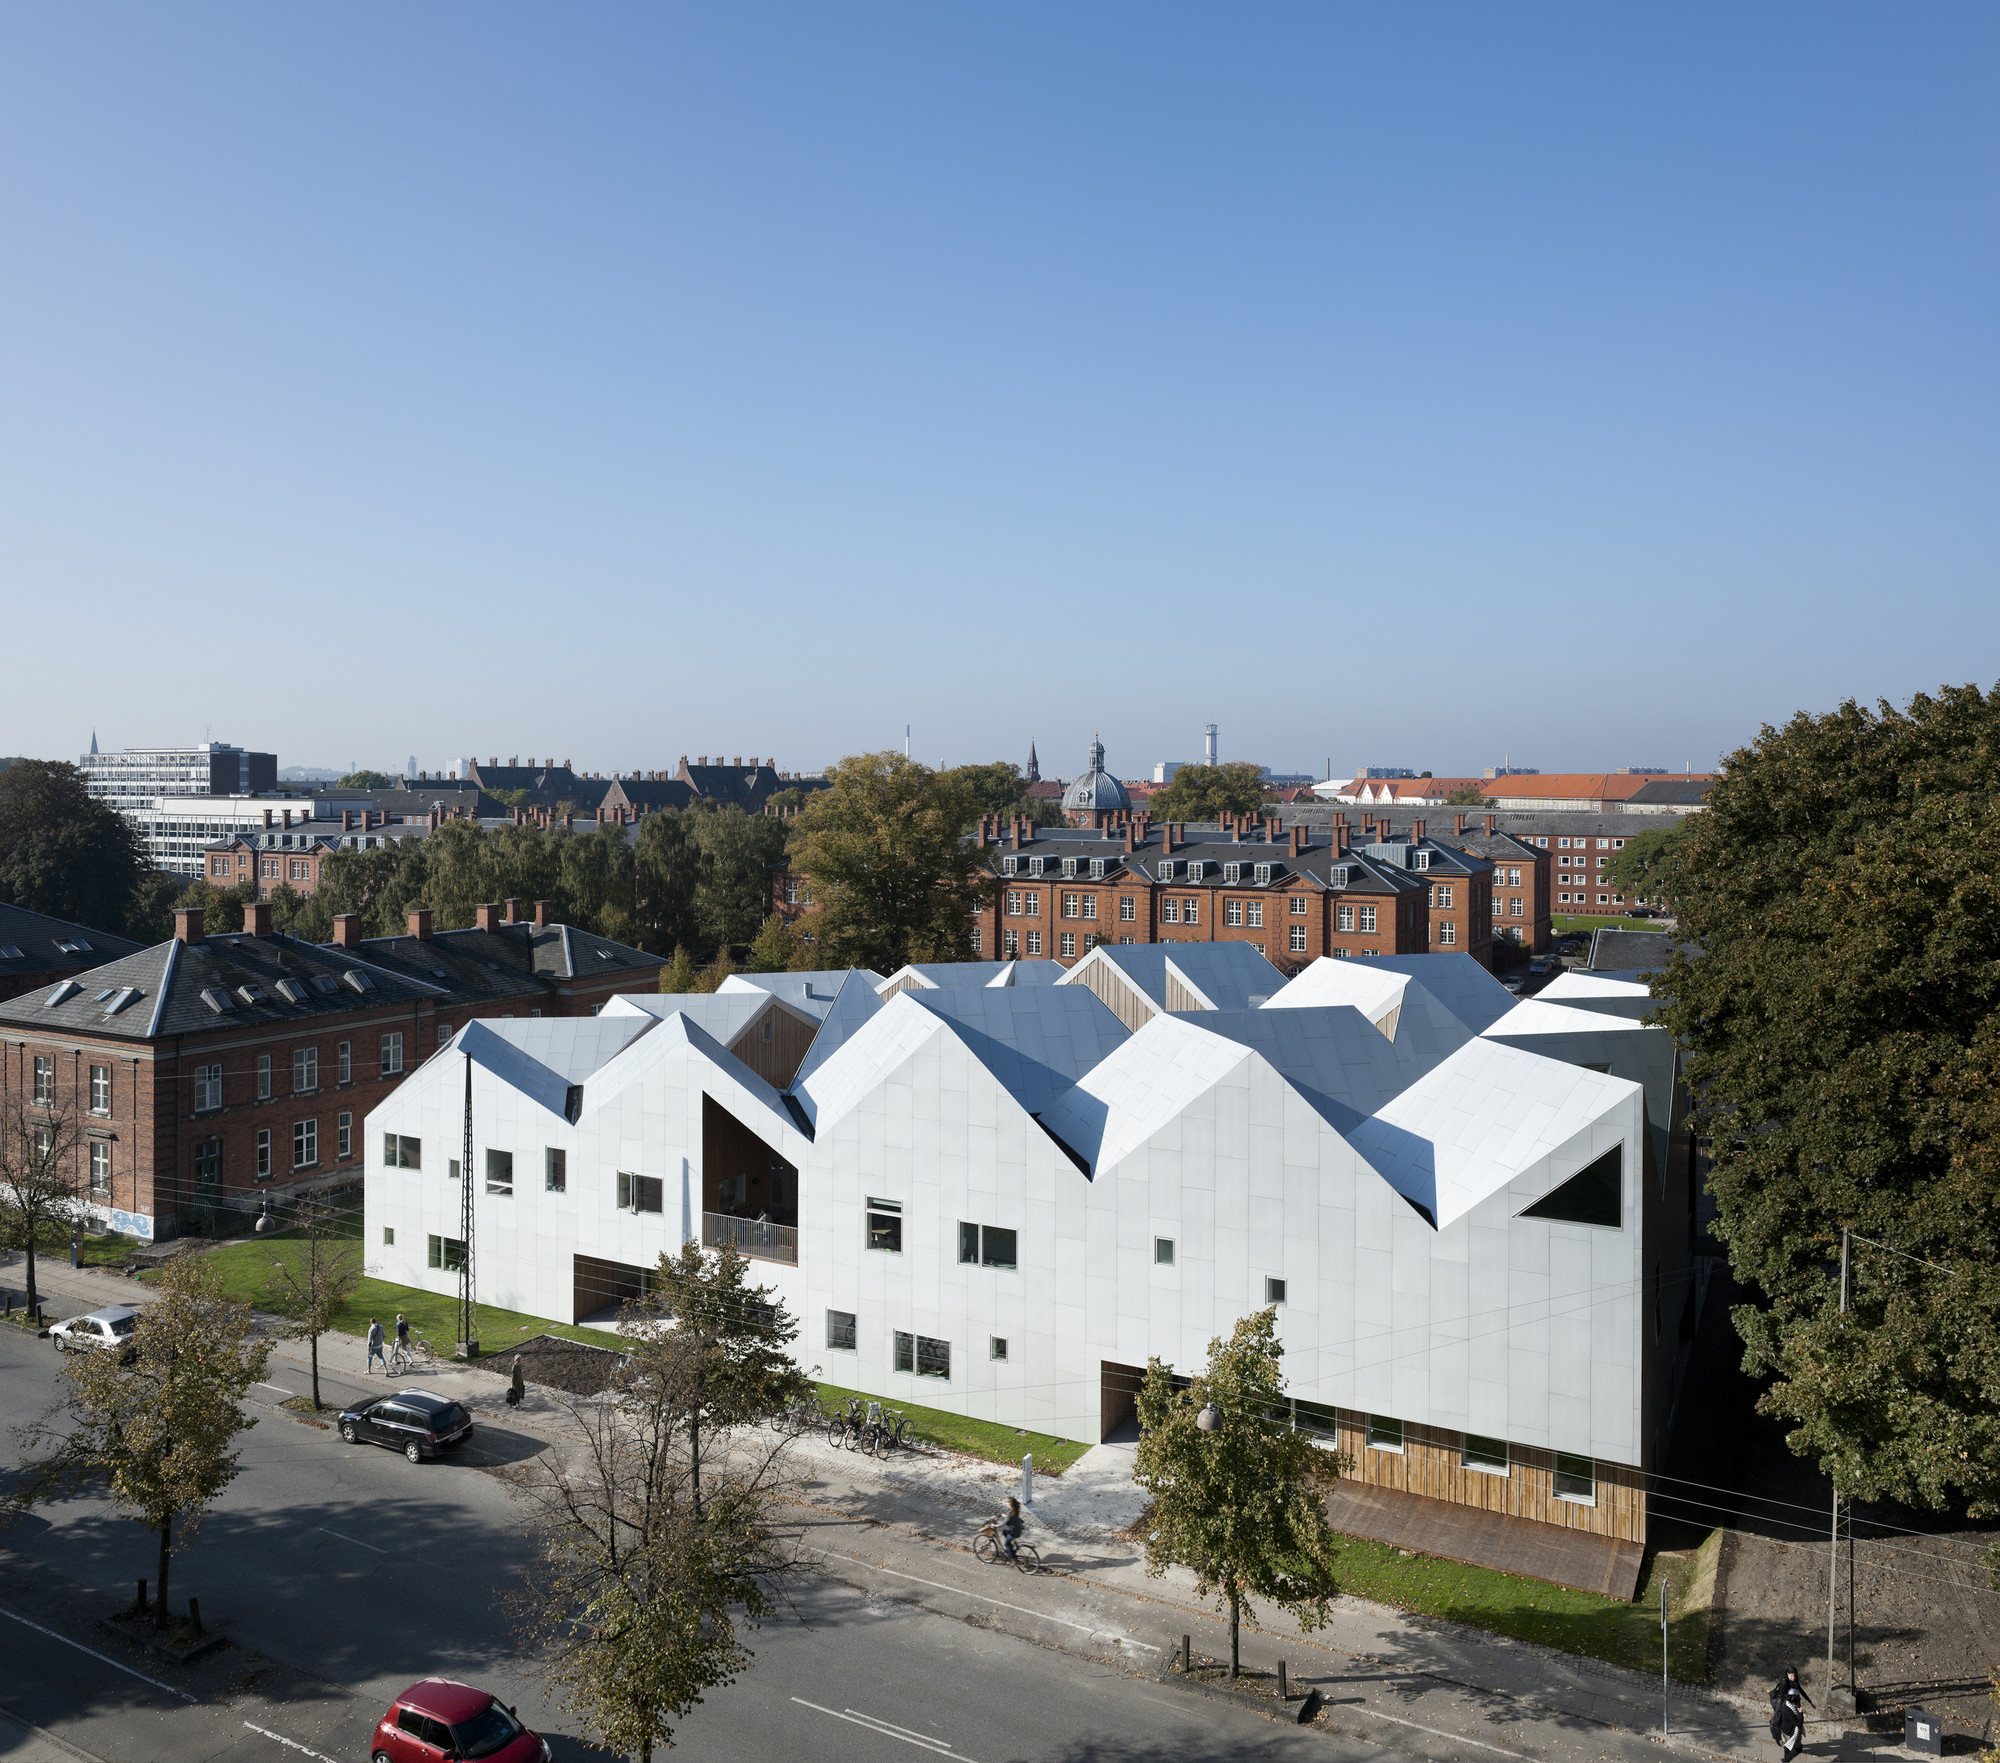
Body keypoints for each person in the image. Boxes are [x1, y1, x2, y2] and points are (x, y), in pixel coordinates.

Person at [1000, 1495, 1024, 1561]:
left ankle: (1013, 1559)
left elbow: (1003, 1523)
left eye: (1007, 1502)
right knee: (1004, 1531)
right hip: (1017, 1529)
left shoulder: (1010, 1513)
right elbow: (1011, 1517)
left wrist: (994, 1525)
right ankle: (1011, 1547)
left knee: (1006, 1544)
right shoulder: (1014, 1510)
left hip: (1014, 1532)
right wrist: (1006, 1516)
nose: (1006, 1503)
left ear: (1010, 1504)